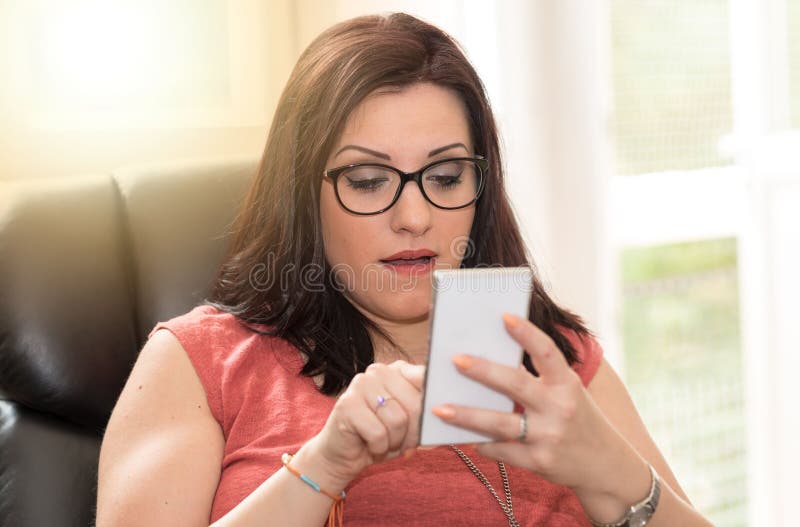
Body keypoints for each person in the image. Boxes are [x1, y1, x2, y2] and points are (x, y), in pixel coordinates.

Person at [96, 13, 713, 527]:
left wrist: (611, 468)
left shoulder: (556, 356)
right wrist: (323, 466)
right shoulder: (202, 362)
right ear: (301, 195)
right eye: (368, 181)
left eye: (445, 177)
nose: (415, 216)